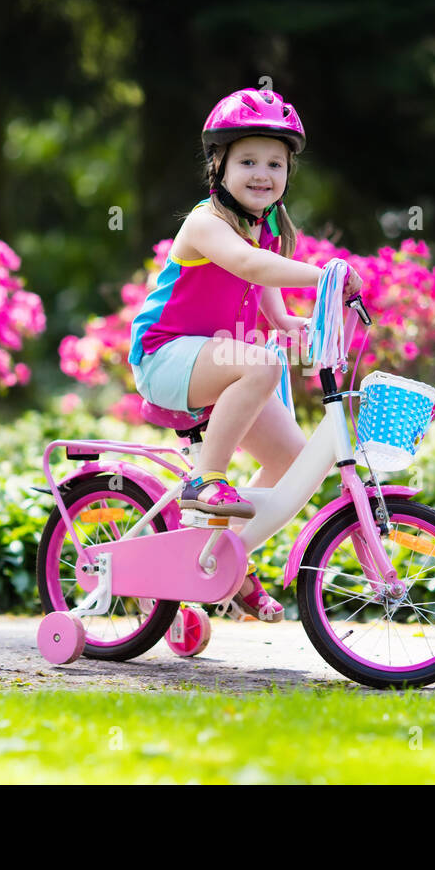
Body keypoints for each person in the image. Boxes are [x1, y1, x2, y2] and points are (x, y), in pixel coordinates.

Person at [127, 87, 363, 621]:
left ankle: (225, 559)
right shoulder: (205, 223)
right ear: (220, 164)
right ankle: (204, 478)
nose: (263, 173)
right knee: (262, 362)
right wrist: (329, 275)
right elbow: (250, 269)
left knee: (292, 460)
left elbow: (274, 311)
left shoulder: (270, 232)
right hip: (165, 356)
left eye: (275, 164)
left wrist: (306, 325)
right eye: (248, 160)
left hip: (219, 365)